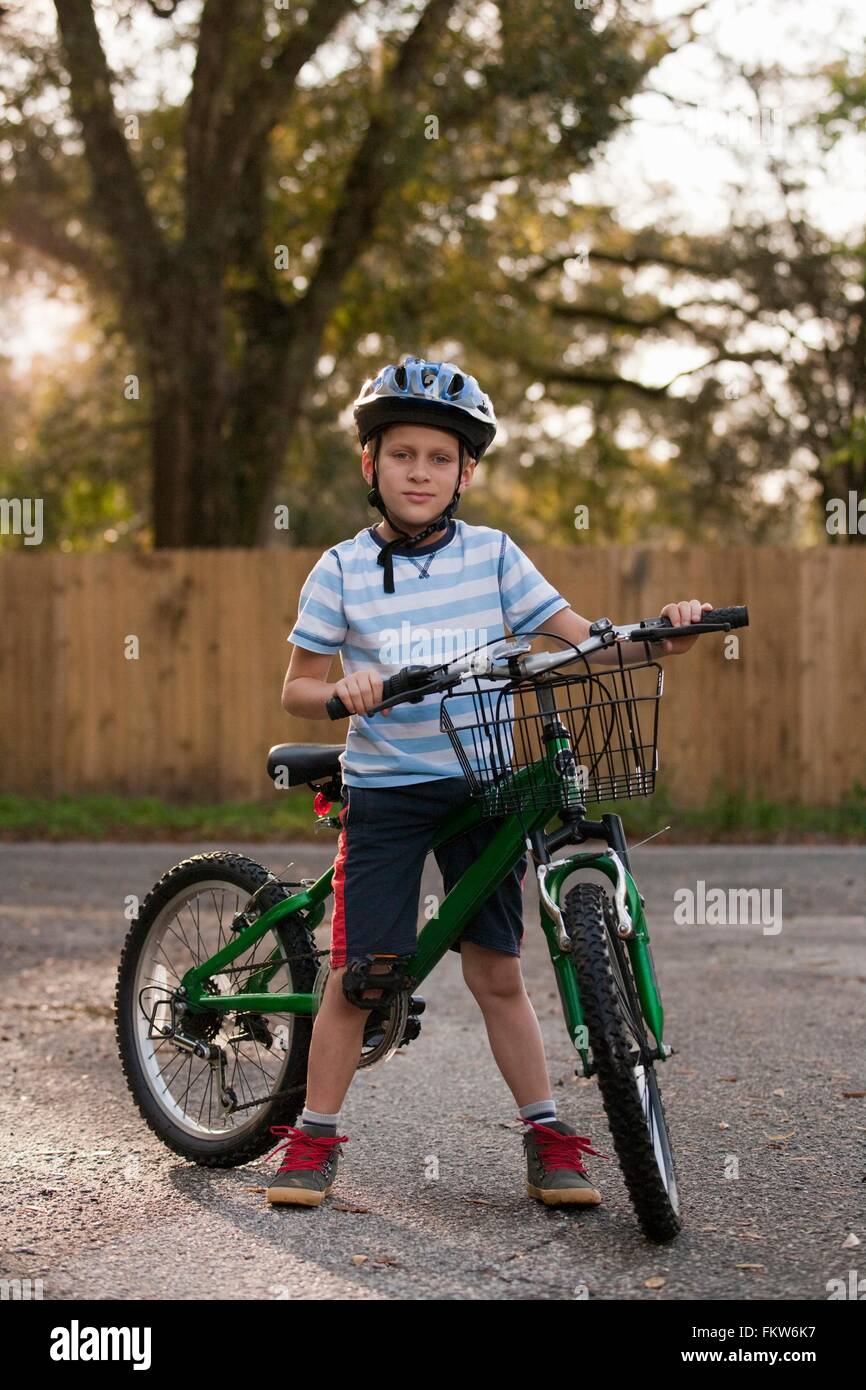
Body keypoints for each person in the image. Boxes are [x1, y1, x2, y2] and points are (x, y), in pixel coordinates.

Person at [267, 354, 711, 1208]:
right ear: (372, 464)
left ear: (466, 470)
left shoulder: (496, 557)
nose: (421, 473)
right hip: (389, 790)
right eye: (403, 456)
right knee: (363, 976)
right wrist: (341, 692)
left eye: (440, 459)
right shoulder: (341, 570)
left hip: (483, 781)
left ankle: (549, 1139)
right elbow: (296, 688)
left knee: (499, 972)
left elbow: (583, 639)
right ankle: (312, 1139)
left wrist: (665, 636)